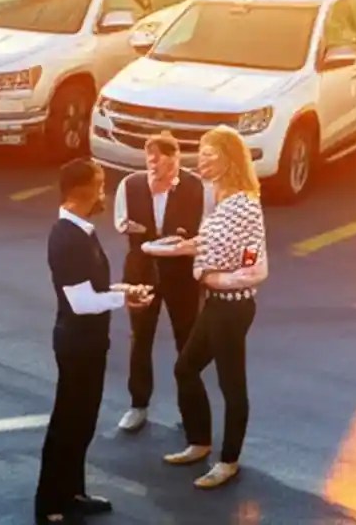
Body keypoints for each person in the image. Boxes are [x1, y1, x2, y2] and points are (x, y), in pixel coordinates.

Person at [36, 158, 154, 524]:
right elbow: (81, 301)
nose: (104, 193)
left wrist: (124, 290)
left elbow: (93, 288)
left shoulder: (82, 231)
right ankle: (50, 504)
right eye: (100, 185)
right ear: (80, 192)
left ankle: (73, 493)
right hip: (77, 345)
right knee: (68, 423)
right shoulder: (68, 238)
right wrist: (122, 299)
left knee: (83, 422)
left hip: (89, 343)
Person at [153, 126, 268, 489]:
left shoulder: (245, 205)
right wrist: (184, 247)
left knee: (232, 385)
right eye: (200, 152)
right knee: (185, 368)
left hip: (233, 308)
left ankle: (228, 461)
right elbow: (213, 243)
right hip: (215, 306)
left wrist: (216, 278)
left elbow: (255, 264)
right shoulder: (219, 198)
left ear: (229, 159)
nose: (201, 159)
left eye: (209, 153)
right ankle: (199, 441)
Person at [112, 131, 212, 432]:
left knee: (187, 341)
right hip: (141, 271)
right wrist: (137, 231)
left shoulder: (197, 187)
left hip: (182, 275)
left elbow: (205, 233)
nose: (157, 168)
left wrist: (183, 245)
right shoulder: (130, 185)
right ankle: (138, 405)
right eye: (151, 161)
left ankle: (190, 411)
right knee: (140, 338)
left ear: (176, 160)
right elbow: (121, 222)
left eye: (164, 163)